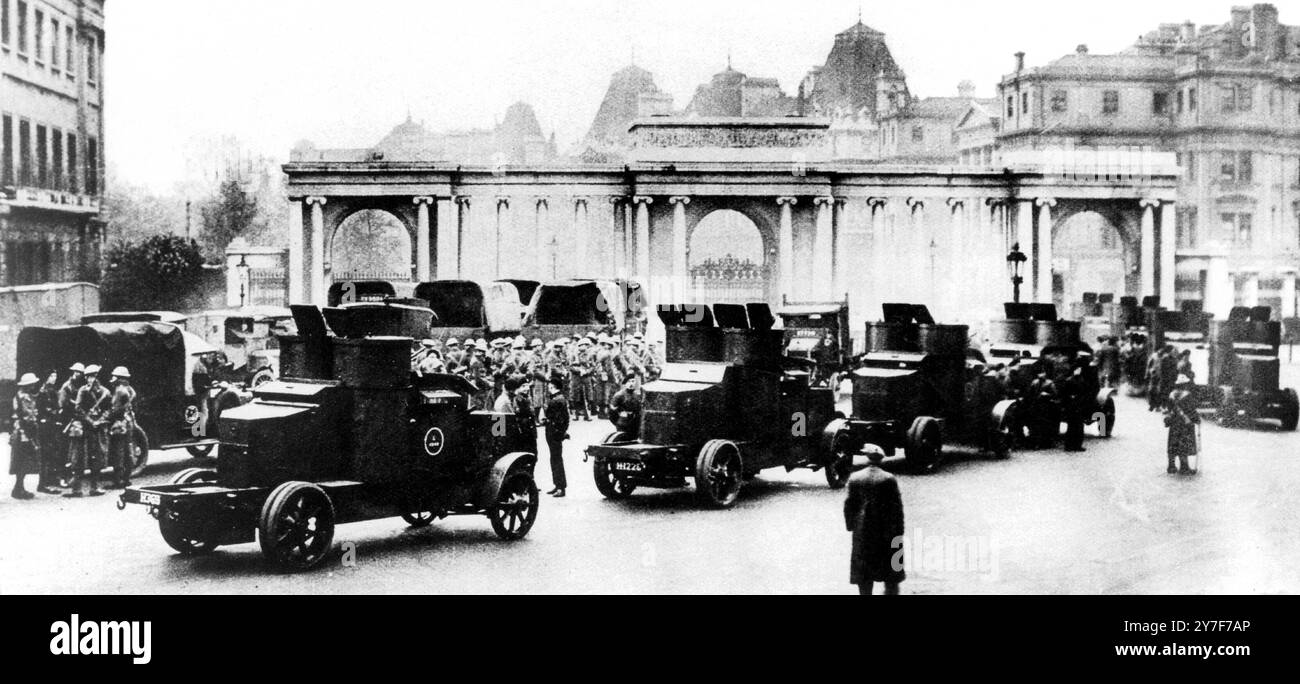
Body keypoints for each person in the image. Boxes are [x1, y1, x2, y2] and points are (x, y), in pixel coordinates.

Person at [844, 445, 905, 596]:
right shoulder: (889, 479)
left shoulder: (855, 478)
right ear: (881, 460)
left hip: (862, 530)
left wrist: (851, 526)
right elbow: (897, 508)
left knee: (864, 572)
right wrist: (899, 532)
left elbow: (849, 505)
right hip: (886, 531)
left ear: (867, 458)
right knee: (891, 572)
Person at [68, 365, 109, 497]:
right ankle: (77, 489)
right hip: (85, 428)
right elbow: (78, 408)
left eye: (93, 376)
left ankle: (94, 487)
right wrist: (90, 421)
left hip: (97, 428)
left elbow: (109, 408)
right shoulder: (83, 391)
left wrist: (100, 420)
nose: (91, 379)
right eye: (89, 376)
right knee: (78, 458)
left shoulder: (104, 391)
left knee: (97, 457)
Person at [103, 367, 138, 489]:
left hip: (119, 424)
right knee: (128, 450)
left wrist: (105, 417)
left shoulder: (119, 391)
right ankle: (126, 479)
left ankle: (118, 481)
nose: (112, 379)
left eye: (114, 376)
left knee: (118, 452)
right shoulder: (129, 389)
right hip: (128, 422)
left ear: (119, 378)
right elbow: (133, 398)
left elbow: (116, 410)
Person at [9, 373, 43, 499]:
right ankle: (18, 488)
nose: (33, 385)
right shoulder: (23, 397)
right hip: (23, 432)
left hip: (22, 430)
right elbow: (27, 416)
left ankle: (19, 488)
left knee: (22, 461)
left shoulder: (23, 395)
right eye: (32, 384)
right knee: (22, 460)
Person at [35, 370, 64, 494]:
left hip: (52, 425)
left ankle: (51, 479)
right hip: (46, 426)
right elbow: (43, 410)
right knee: (45, 455)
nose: (54, 378)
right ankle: (44, 483)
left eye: (56, 376)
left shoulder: (52, 390)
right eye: (52, 376)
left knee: (53, 453)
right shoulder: (43, 392)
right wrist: (55, 413)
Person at [1165, 374, 1200, 475]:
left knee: (1173, 443)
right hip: (1184, 423)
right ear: (1185, 384)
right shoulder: (1187, 395)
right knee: (1183, 444)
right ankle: (1184, 467)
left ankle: (1171, 466)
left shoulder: (1171, 394)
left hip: (1174, 423)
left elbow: (1169, 409)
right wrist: (1196, 419)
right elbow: (1191, 410)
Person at [543, 376, 570, 498]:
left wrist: (558, 431)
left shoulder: (556, 401)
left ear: (553, 387)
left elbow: (559, 419)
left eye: (550, 386)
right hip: (555, 432)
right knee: (555, 458)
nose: (548, 388)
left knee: (556, 459)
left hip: (554, 433)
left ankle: (560, 487)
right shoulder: (559, 399)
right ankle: (558, 485)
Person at [1060, 365, 1088, 452]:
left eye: (1080, 369)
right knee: (1071, 427)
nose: (1079, 371)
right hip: (1071, 407)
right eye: (1077, 369)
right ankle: (1068, 445)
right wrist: (1068, 402)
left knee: (1079, 427)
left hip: (1079, 406)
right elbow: (1064, 394)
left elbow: (1084, 393)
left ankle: (1077, 445)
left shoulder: (1082, 380)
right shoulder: (1069, 381)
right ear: (1074, 370)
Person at [568, 337, 593, 421]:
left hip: (586, 378)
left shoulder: (590, 355)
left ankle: (587, 414)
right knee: (576, 396)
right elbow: (570, 366)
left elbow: (593, 366)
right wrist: (579, 370)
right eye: (583, 345)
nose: (585, 347)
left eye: (586, 345)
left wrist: (586, 371)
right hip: (576, 378)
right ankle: (576, 414)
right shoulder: (573, 355)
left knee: (588, 396)